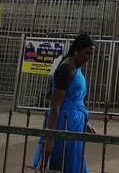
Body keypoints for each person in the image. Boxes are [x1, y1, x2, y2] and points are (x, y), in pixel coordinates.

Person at [34, 33, 96, 172]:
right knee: (63, 162)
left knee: (73, 162)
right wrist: (50, 138)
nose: (88, 58)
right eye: (86, 53)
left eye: (91, 54)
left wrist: (85, 121)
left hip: (74, 123)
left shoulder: (75, 67)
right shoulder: (66, 70)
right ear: (76, 51)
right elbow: (56, 106)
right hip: (64, 123)